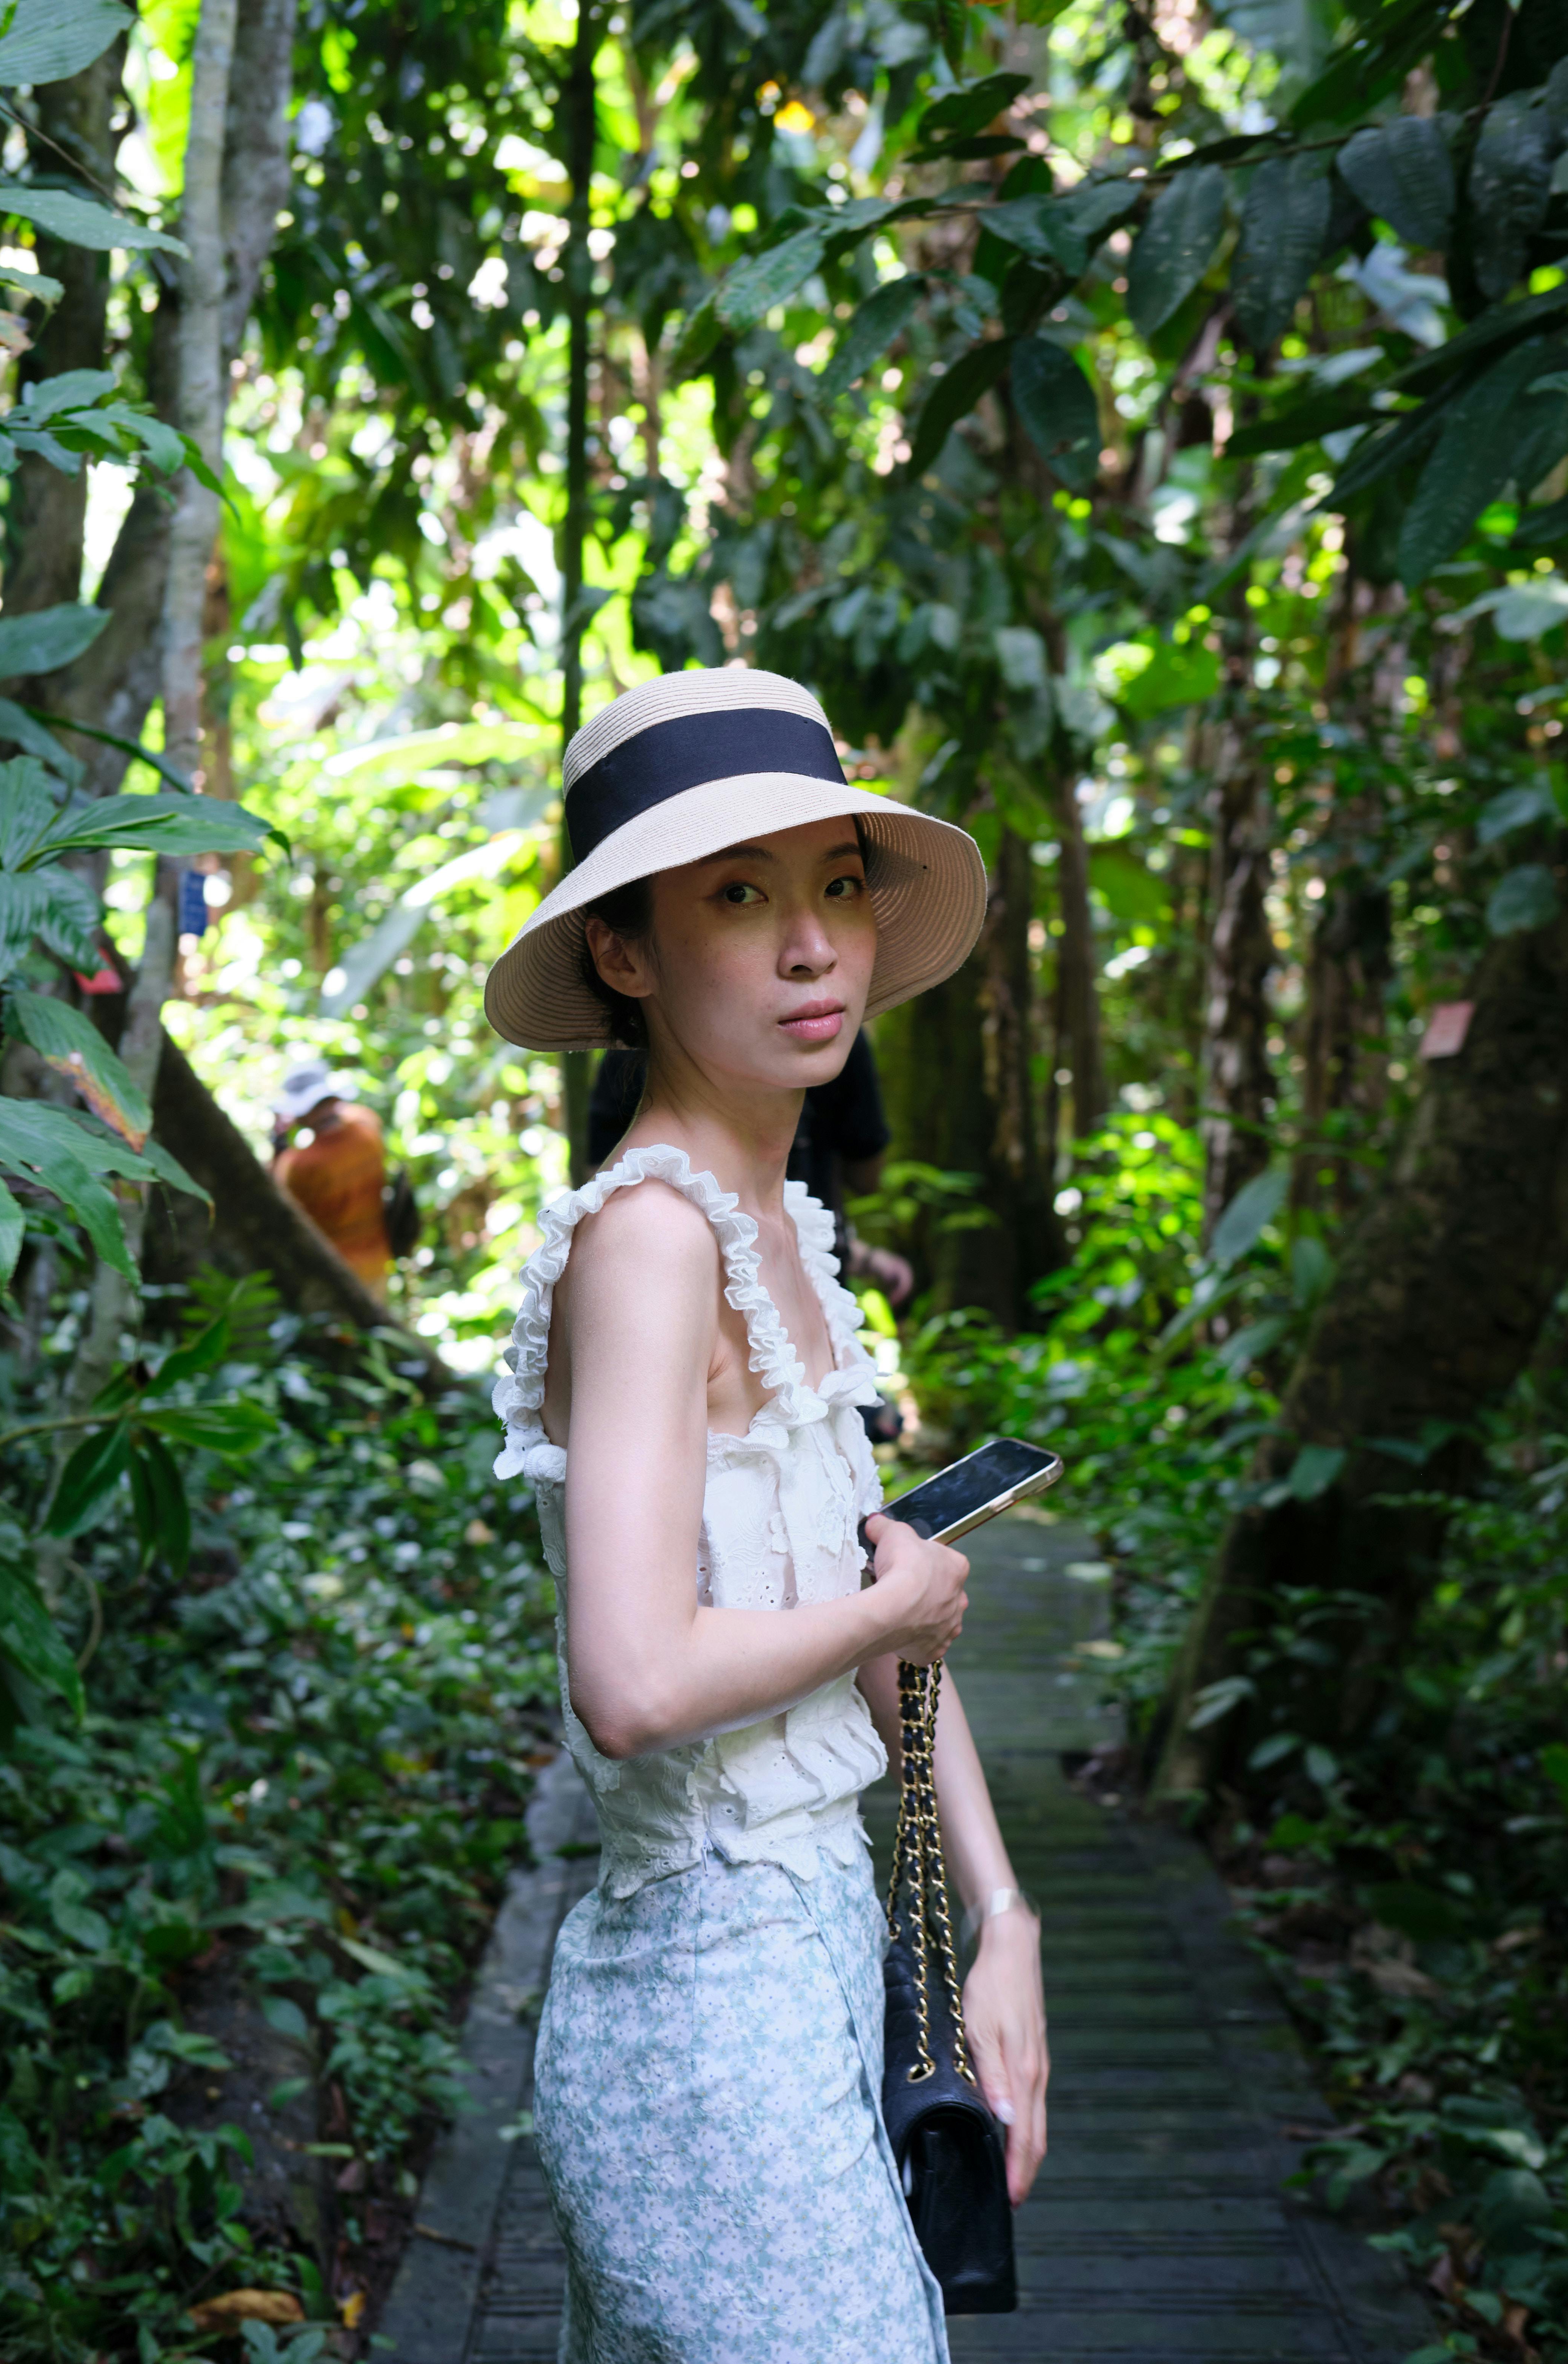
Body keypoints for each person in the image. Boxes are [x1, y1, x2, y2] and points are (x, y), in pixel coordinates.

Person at [485, 668, 1048, 2364]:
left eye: (836, 885)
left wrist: (1000, 1926)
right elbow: (638, 1680)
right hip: (696, 2012)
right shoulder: (650, 1244)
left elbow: (888, 1615)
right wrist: (891, 1616)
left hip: (823, 1970)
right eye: (740, 896)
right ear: (627, 953)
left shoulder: (785, 1234)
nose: (811, 946)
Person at [589, 1031, 915, 1305]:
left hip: (812, 1280)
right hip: (695, 1286)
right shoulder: (641, 1234)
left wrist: (859, 1255)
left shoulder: (834, 1035)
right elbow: (605, 1187)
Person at [271, 1060, 394, 1288]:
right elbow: (351, 1113)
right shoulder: (367, 1127)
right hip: (378, 1259)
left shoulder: (299, 1165)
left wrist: (279, 1141)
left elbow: (279, 1201)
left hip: (334, 1276)